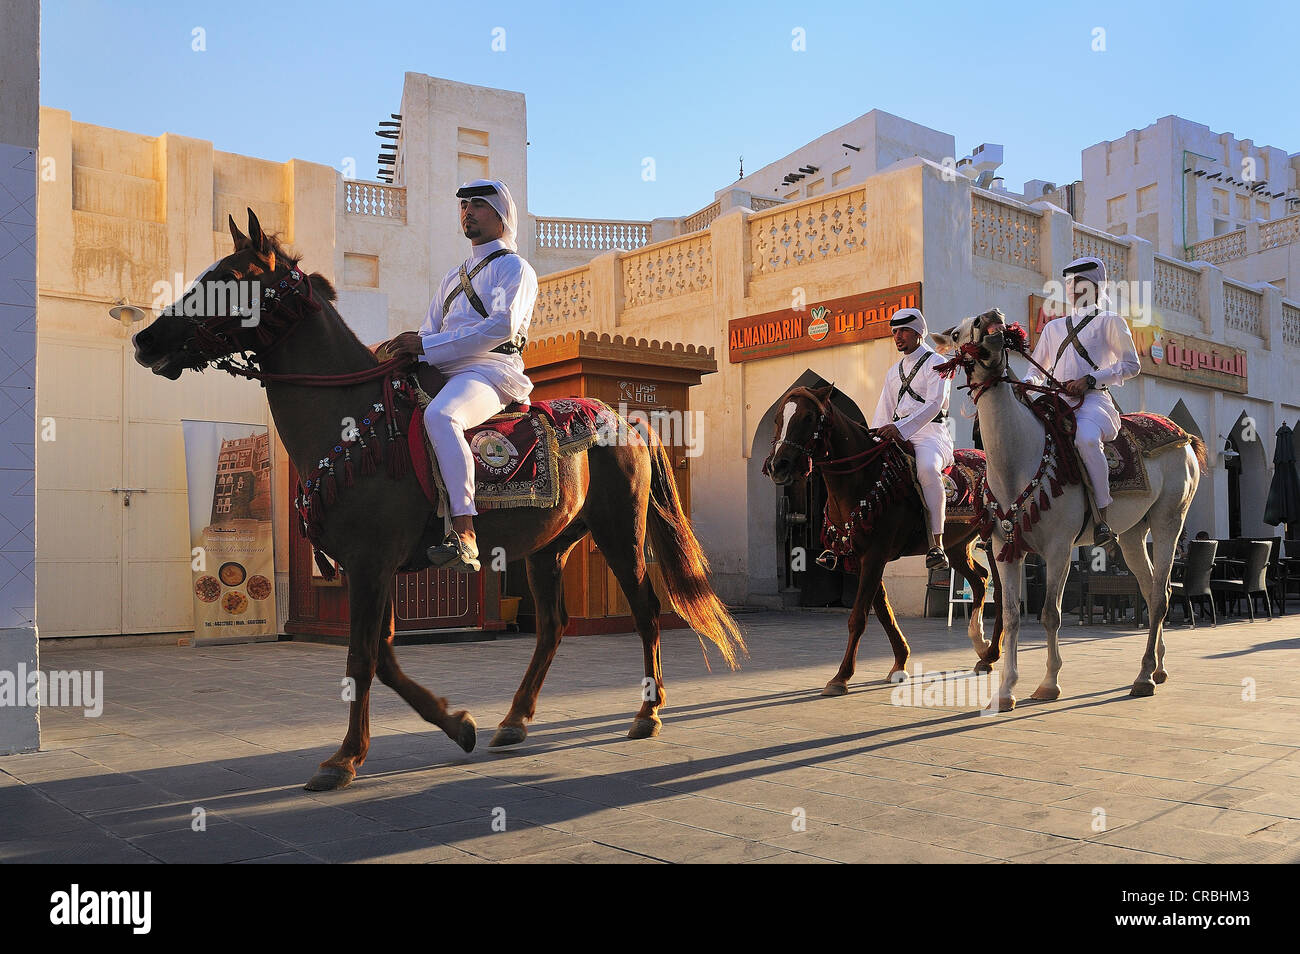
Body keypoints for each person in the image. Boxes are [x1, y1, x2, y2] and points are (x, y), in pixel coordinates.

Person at [390, 179, 537, 572]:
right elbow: (427, 331)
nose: (467, 212)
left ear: (502, 216)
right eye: (463, 206)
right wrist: (401, 349)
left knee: (443, 416)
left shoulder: (514, 268)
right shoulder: (451, 277)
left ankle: (464, 531)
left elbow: (501, 327)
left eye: (478, 205)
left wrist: (428, 347)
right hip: (441, 367)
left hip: (489, 371)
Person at [1025, 256, 1140, 546]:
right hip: (1056, 401)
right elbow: (1034, 370)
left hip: (1093, 402)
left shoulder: (1110, 322)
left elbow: (1131, 365)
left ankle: (1103, 517)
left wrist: (1090, 380)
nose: (1073, 288)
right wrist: (1026, 386)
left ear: (1096, 287)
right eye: (1070, 283)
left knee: (1086, 440)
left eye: (1080, 283)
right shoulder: (1053, 328)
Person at [872, 308, 953, 570]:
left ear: (919, 332)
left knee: (928, 469)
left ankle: (937, 544)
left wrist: (900, 428)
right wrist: (873, 438)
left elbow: (934, 404)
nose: (898, 336)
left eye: (904, 331)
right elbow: (883, 411)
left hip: (931, 434)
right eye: (895, 332)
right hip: (897, 433)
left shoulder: (937, 363)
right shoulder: (892, 371)